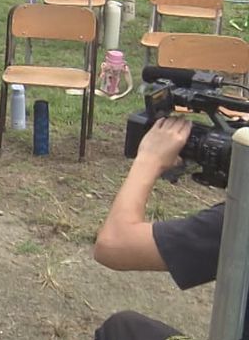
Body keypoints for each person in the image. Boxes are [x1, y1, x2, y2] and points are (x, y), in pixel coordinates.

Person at [92, 116, 240, 339]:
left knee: (121, 331)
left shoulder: (238, 225)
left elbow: (113, 244)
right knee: (127, 325)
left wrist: (150, 158)